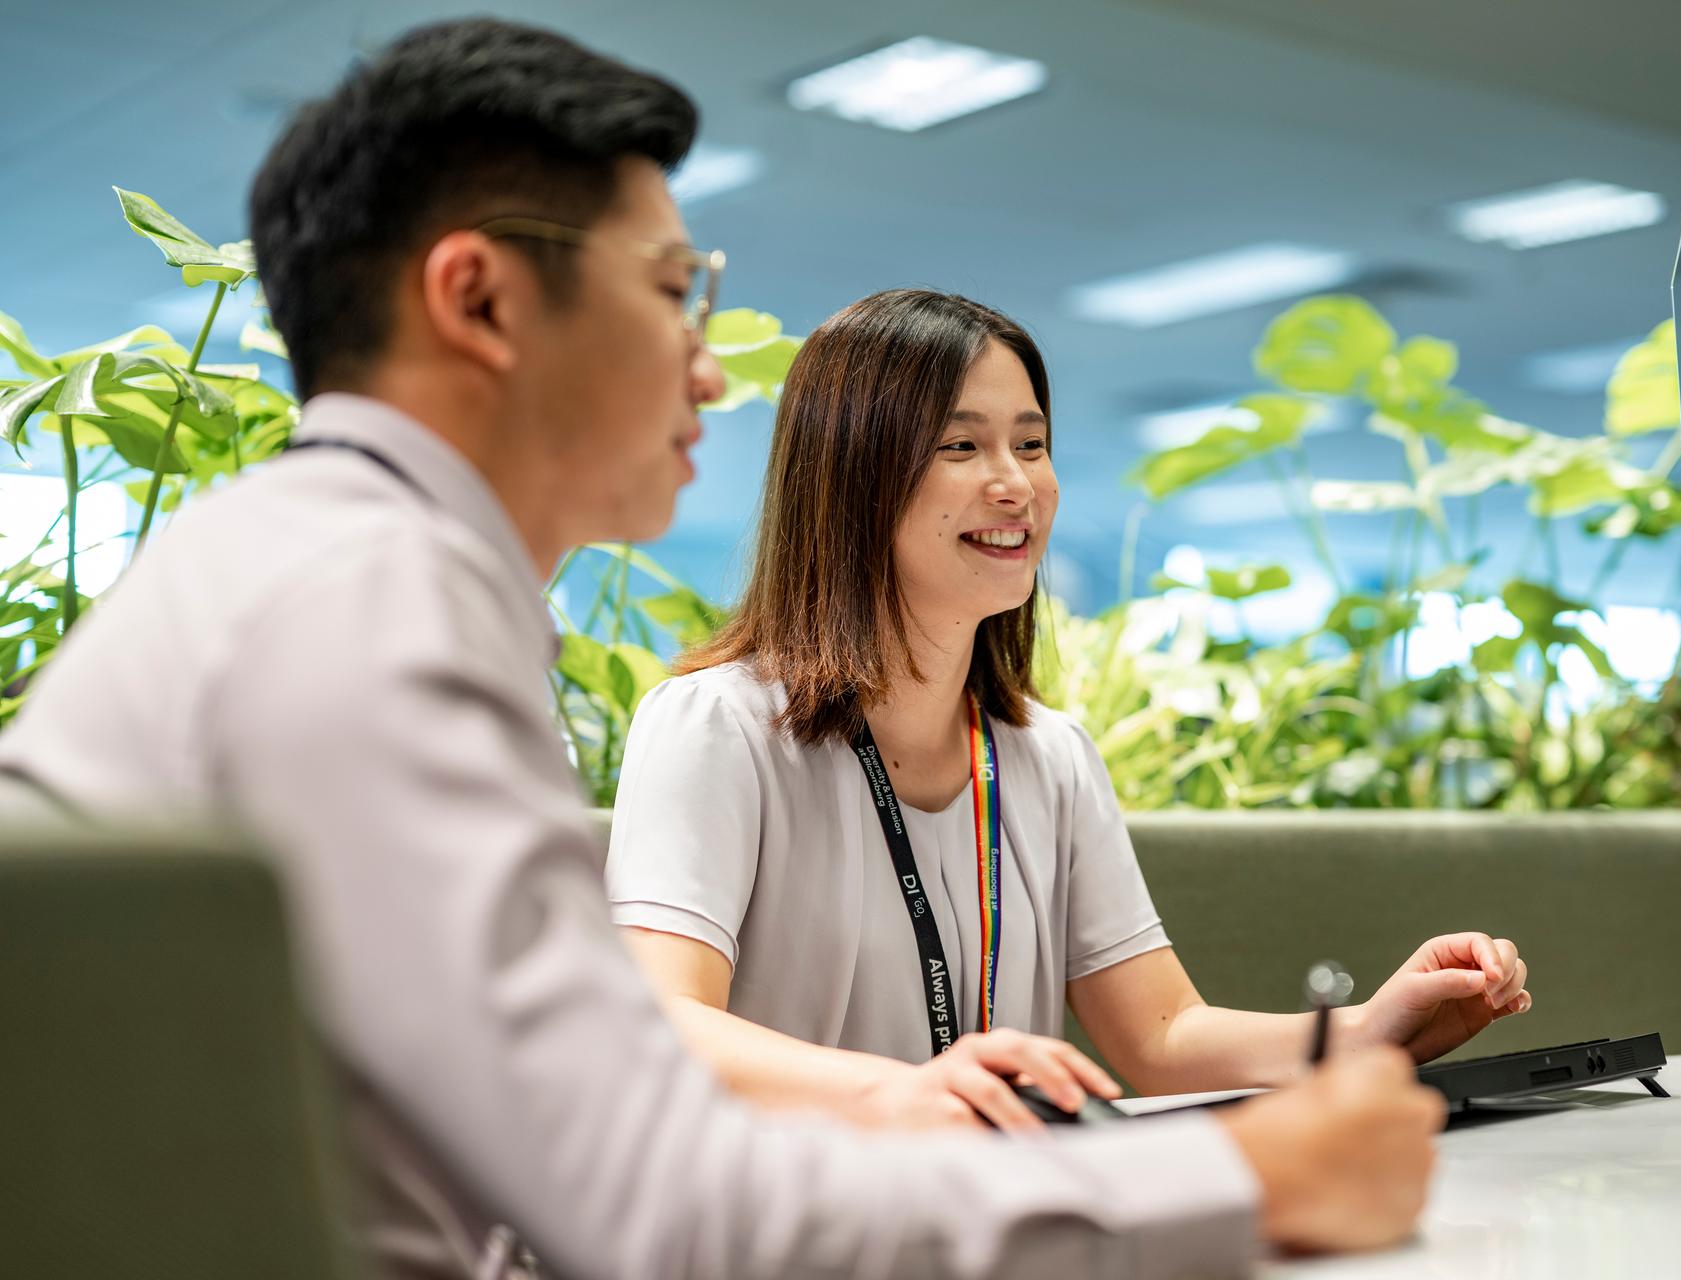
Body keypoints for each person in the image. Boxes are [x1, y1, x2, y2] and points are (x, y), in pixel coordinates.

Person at [0, 18, 1445, 1279]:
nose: (707, 363)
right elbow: (646, 1199)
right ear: (480, 298)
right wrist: (1231, 1188)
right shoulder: (368, 603)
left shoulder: (324, 564)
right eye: (670, 290)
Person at [609, 288, 1533, 1131]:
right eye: (960, 445)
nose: (1016, 483)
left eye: (1033, 443)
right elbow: (664, 1022)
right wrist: (904, 1094)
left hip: (988, 1227)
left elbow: (1161, 1037)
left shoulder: (1047, 754)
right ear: (852, 478)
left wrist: (1368, 1030)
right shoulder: (718, 726)